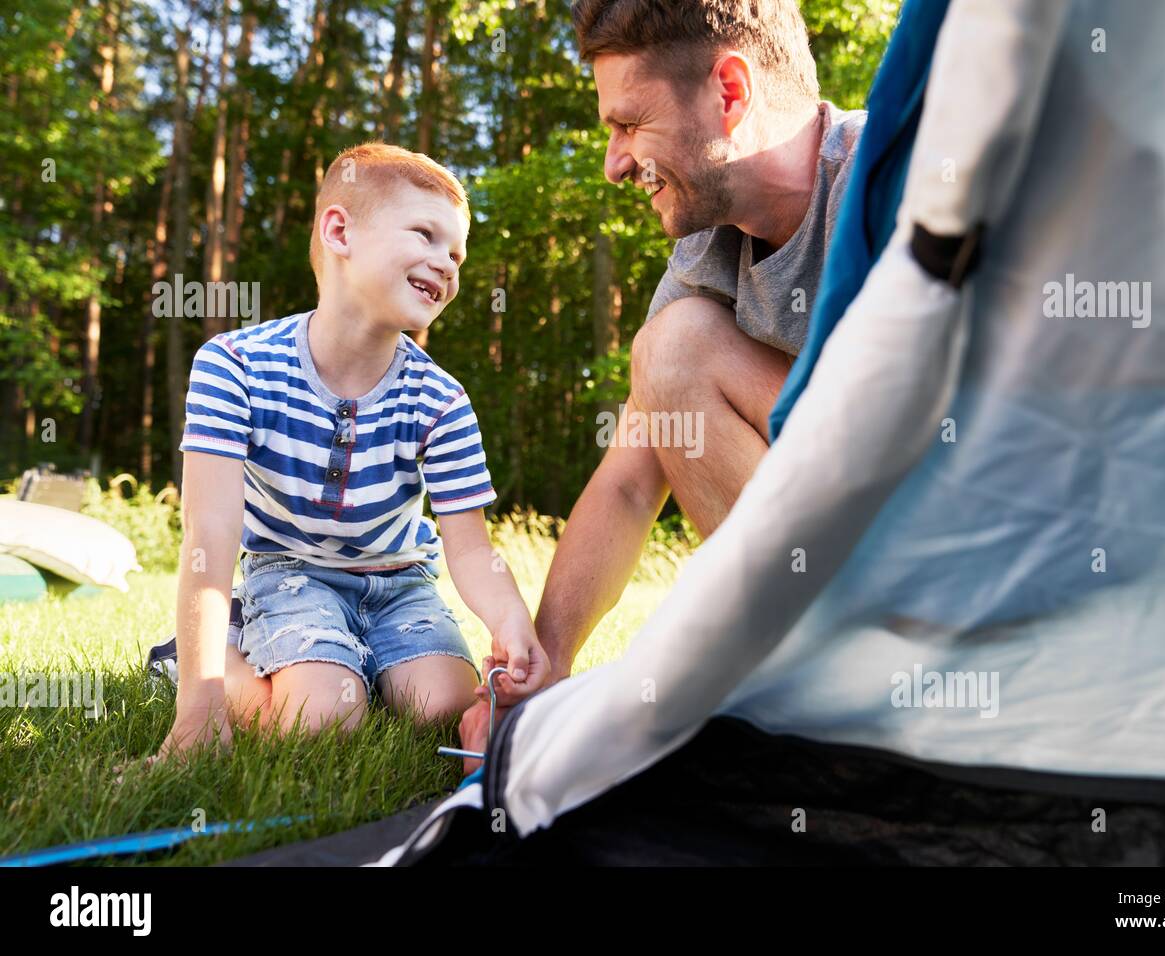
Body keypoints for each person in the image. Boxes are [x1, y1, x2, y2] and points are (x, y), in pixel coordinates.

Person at [459, 0, 867, 762]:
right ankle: (810, 680)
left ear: (731, 93)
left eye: (628, 124)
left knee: (676, 350)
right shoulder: (707, 256)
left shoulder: (895, 185)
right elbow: (627, 483)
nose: (615, 162)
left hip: (969, 556)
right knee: (671, 351)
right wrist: (542, 666)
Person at [155, 143, 547, 761]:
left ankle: (347, 661)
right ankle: (197, 657)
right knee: (321, 719)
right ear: (339, 231)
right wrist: (200, 713)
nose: (446, 263)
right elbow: (211, 530)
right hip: (291, 573)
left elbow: (469, 547)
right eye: (426, 234)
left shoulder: (441, 399)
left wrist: (509, 619)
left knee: (441, 709)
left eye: (457, 254)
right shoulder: (234, 365)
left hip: (400, 584)